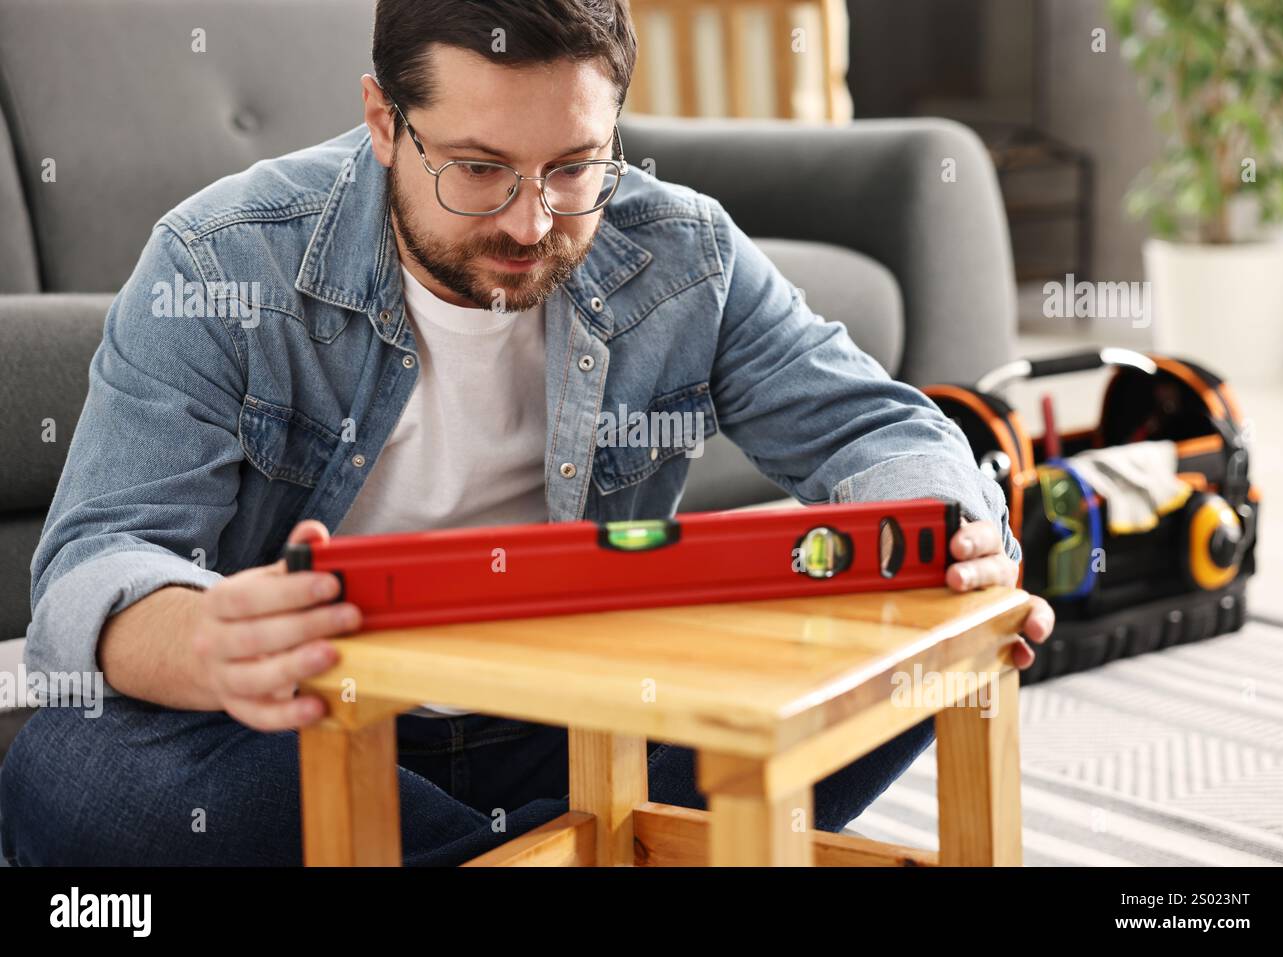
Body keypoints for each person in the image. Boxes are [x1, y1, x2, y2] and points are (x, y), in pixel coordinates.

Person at [0, 0, 1053, 866]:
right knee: (75, 773)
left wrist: (947, 533)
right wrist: (210, 643)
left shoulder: (684, 254)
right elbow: (96, 564)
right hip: (305, 743)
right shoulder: (219, 263)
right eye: (477, 167)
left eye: (572, 167)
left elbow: (874, 427)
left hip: (597, 732)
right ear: (382, 120)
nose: (529, 221)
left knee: (934, 655)